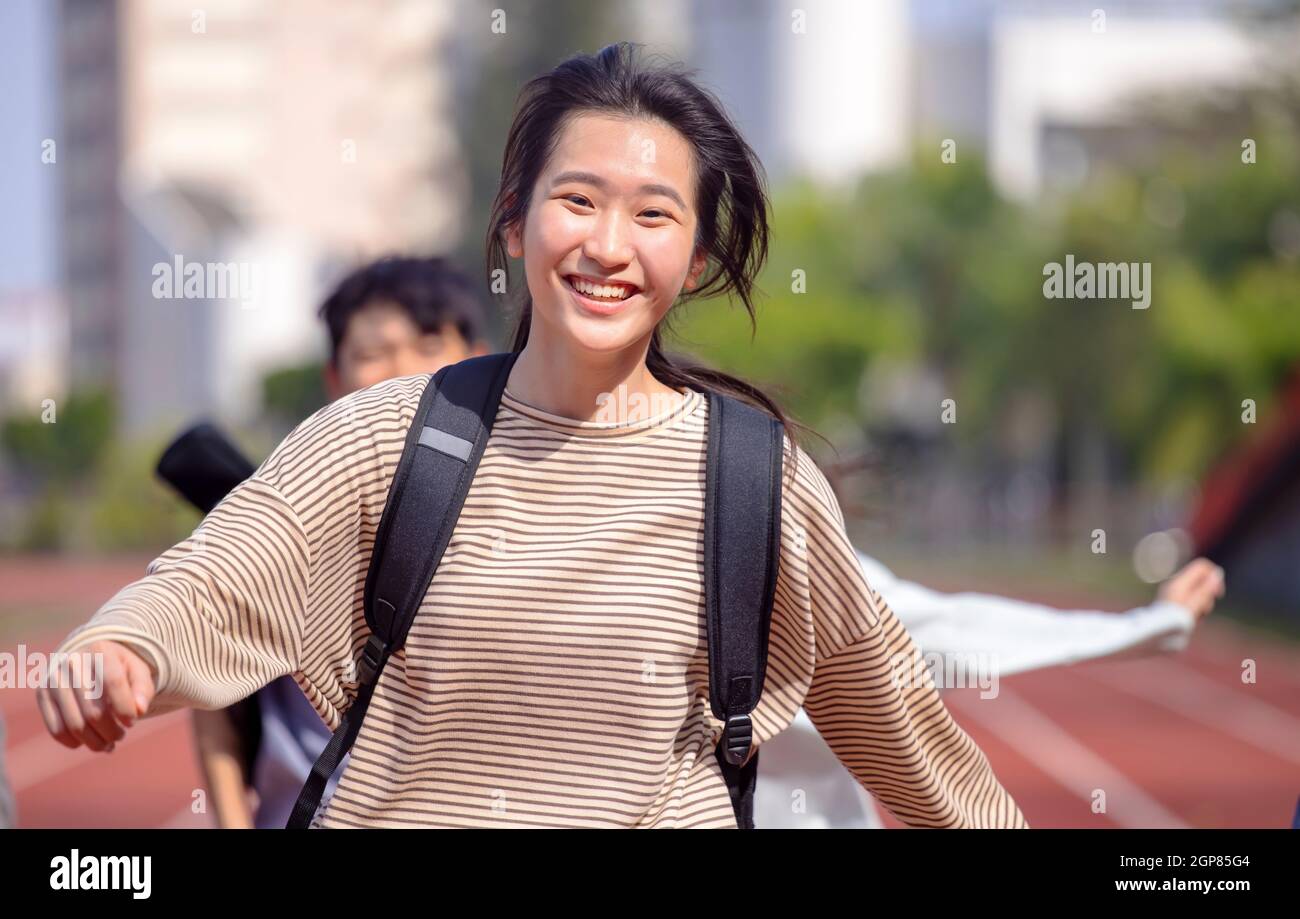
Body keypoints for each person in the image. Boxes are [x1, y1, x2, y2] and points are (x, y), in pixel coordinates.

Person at [36, 43, 1028, 828]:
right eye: (577, 200)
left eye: (653, 214)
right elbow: (211, 581)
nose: (608, 245)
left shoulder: (755, 481)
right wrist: (120, 648)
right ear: (515, 223)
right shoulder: (386, 437)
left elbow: (904, 730)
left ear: (694, 257)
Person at [190, 256, 490, 829]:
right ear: (334, 379)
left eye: (429, 346)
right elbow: (216, 692)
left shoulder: (522, 513)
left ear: (479, 362)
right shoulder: (288, 518)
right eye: (374, 353)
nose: (404, 372)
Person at [755, 552, 1225, 827]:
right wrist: (1158, 623)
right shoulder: (800, 550)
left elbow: (948, 628)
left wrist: (1156, 625)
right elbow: (955, 628)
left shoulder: (781, 549)